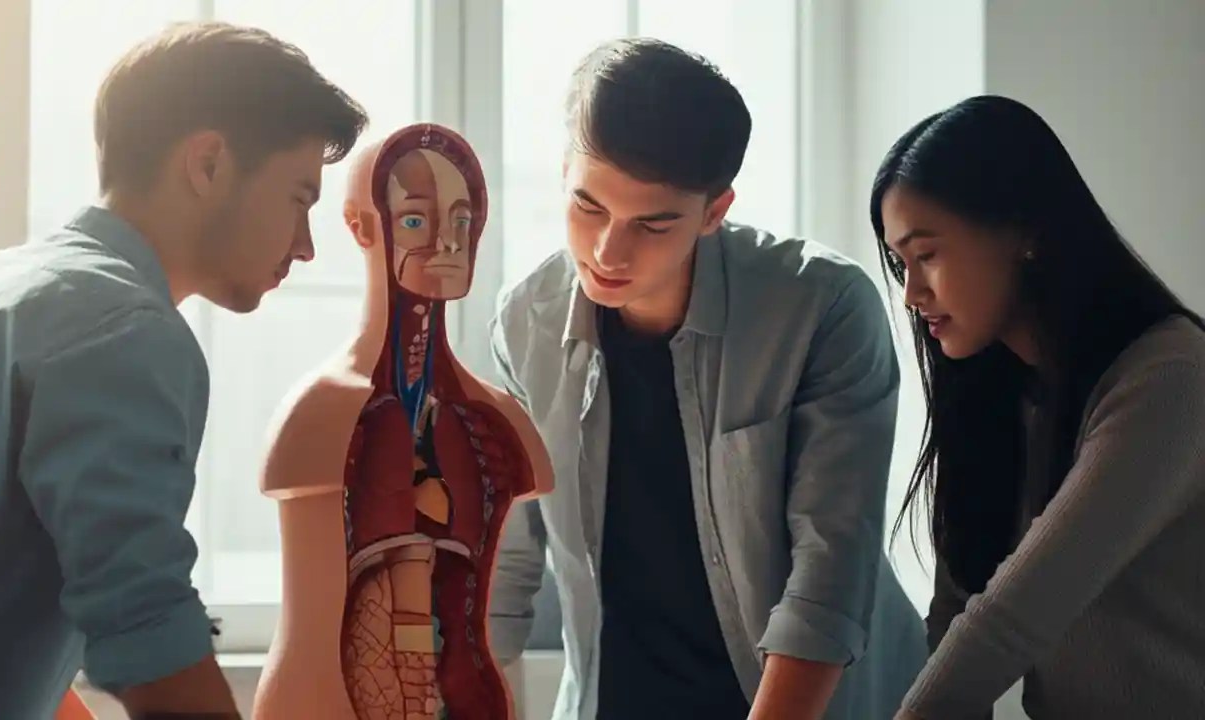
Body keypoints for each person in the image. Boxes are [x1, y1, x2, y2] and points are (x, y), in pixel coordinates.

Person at [0, 22, 367, 719]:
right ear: (209, 163)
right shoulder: (121, 329)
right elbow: (145, 630)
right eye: (298, 198)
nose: (307, 246)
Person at [488, 37, 926, 720]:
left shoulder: (823, 308)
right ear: (565, 172)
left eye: (652, 224)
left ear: (714, 212)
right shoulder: (525, 322)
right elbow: (505, 565)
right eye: (589, 206)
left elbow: (828, 578)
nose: (607, 251)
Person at [875, 95, 1205, 719]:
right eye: (900, 263)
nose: (912, 292)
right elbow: (954, 614)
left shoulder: (1170, 378)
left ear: (1026, 233)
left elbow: (1010, 618)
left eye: (927, 255)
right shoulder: (995, 389)